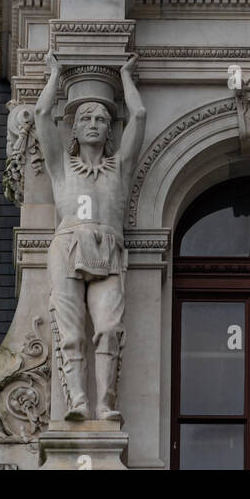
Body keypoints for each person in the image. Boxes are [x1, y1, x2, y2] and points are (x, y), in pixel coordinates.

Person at [34, 53, 145, 423]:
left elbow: (139, 117)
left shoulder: (120, 168)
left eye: (101, 119)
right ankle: (78, 402)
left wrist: (126, 78)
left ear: (109, 129)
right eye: (85, 119)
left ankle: (105, 403)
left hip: (107, 247)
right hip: (67, 246)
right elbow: (41, 117)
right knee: (70, 334)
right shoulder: (62, 167)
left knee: (109, 329)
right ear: (76, 130)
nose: (94, 124)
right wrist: (54, 75)